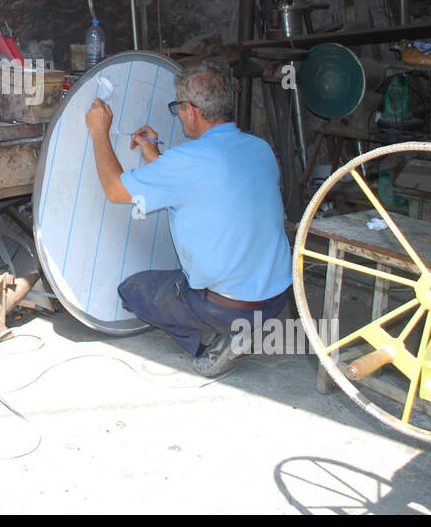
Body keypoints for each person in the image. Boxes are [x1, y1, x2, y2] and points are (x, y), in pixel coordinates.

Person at [84, 59, 292, 377]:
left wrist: (100, 132)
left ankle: (211, 341)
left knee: (133, 289)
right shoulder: (260, 148)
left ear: (191, 111)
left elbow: (115, 189)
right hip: (276, 299)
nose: (178, 114)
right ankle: (239, 328)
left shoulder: (186, 162)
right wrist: (156, 160)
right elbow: (214, 187)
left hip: (227, 308)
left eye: (177, 107)